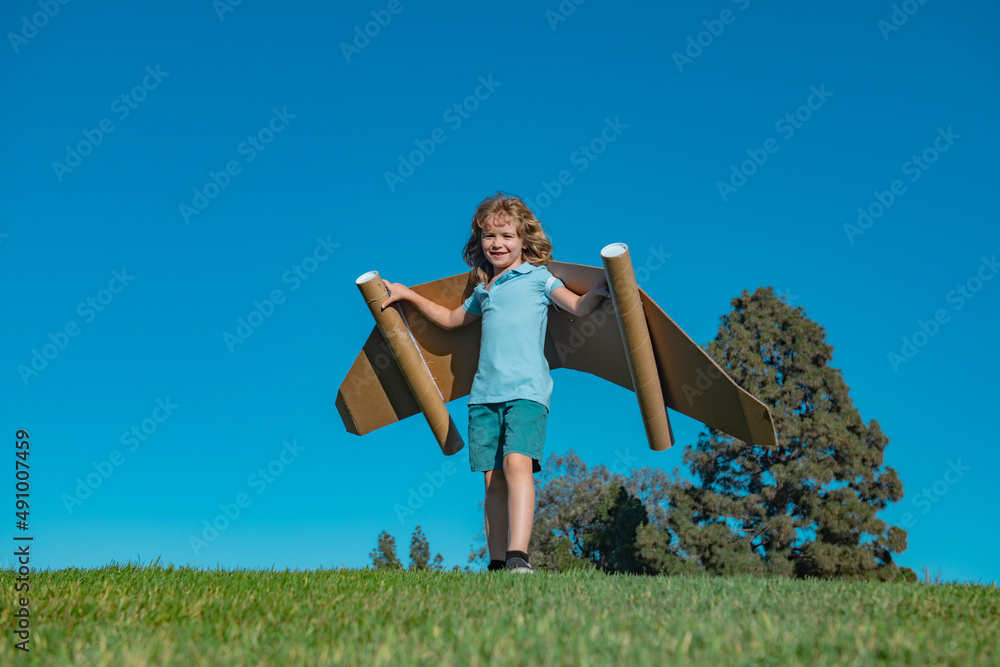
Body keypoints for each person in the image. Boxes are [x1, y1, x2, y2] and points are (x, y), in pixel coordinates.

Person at [381, 193, 608, 573]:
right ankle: (498, 562)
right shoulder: (484, 290)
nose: (497, 244)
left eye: (506, 235)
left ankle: (519, 557)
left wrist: (599, 293)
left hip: (527, 391)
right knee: (493, 481)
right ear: (479, 242)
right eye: (489, 236)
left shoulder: (540, 278)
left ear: (524, 239)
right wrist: (407, 295)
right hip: (484, 396)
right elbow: (452, 319)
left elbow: (576, 306)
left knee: (517, 462)